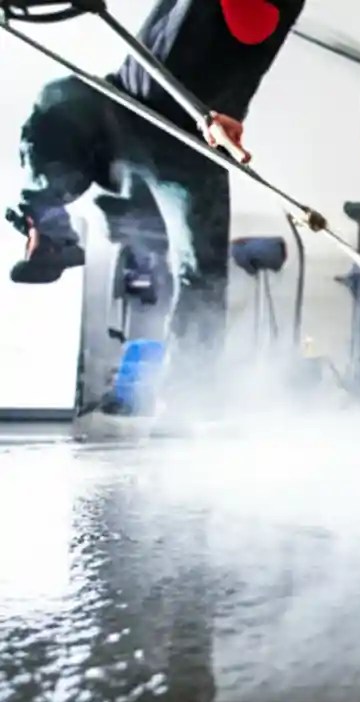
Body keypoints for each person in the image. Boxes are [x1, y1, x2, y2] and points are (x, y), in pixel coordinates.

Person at [6, 0, 305, 417]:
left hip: (187, 140)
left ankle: (187, 391)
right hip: (122, 104)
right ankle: (50, 234)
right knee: (60, 98)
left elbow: (248, 43)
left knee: (203, 269)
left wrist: (229, 114)